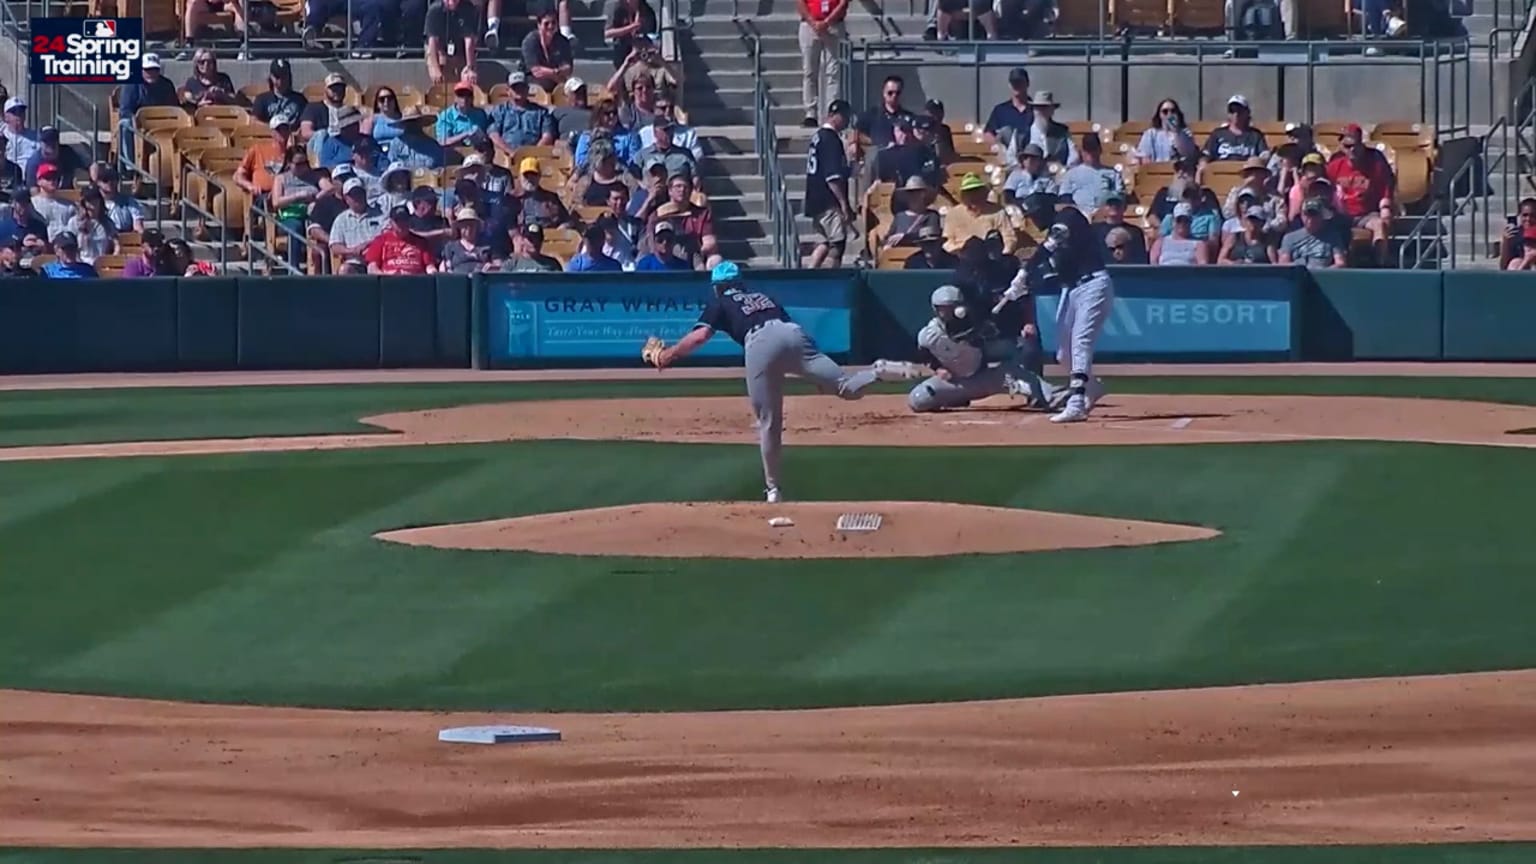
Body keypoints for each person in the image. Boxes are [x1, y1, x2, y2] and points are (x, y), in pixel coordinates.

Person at [642, 261, 879, 503]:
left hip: (760, 342)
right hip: (793, 333)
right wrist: (814, 376)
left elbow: (700, 336)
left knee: (769, 422)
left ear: (718, 287)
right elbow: (789, 337)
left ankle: (773, 490)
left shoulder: (721, 301)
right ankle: (881, 370)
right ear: (740, 283)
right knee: (847, 388)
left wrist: (668, 355)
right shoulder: (764, 298)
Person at [999, 192, 1112, 423]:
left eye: (1035, 215)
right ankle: (1091, 387)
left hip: (1094, 284)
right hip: (1071, 289)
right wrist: (1022, 285)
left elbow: (1048, 248)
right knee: (1063, 354)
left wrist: (1023, 272)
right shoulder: (1057, 236)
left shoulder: (1069, 217)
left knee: (1081, 342)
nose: (1033, 220)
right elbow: (1050, 269)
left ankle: (1077, 401)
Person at [865, 283, 1056, 414]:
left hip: (985, 378)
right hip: (955, 382)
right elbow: (923, 352)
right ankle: (954, 398)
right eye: (943, 308)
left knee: (1021, 375)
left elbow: (991, 343)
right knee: (917, 400)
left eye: (952, 307)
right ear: (935, 309)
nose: (947, 312)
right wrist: (938, 368)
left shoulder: (975, 322)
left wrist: (986, 331)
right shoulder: (928, 334)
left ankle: (1058, 397)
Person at [1325, 123, 1395, 265]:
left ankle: (1379, 262)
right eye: (1346, 146)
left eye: (1354, 145)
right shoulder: (1334, 166)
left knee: (1380, 225)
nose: (1351, 150)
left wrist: (1385, 207)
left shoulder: (1375, 163)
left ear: (1361, 144)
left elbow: (1386, 186)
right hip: (1342, 214)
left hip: (1366, 214)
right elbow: (1324, 189)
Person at [804, 99, 855, 268]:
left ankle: (810, 273)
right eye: (844, 116)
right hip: (828, 200)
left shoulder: (818, 136)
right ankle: (833, 277)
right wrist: (843, 204)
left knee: (822, 242)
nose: (847, 120)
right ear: (835, 116)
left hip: (814, 198)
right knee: (837, 242)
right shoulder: (831, 139)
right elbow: (832, 177)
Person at [117, 54, 179, 167]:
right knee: (125, 124)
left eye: (155, 69)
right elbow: (125, 110)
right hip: (139, 125)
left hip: (163, 124)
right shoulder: (131, 85)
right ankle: (130, 167)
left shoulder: (167, 85)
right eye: (148, 70)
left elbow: (175, 108)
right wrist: (136, 120)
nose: (151, 73)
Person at [798, 0, 848, 128]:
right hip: (810, 25)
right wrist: (812, 22)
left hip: (834, 24)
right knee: (809, 71)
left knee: (833, 72)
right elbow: (800, 3)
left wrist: (827, 22)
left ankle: (831, 113)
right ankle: (811, 113)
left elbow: (843, 3)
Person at [271, 144, 322, 271]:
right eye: (298, 164)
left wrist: (316, 197)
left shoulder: (313, 176)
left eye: (304, 163)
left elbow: (329, 189)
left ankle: (321, 268)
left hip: (311, 214)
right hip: (289, 216)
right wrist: (297, 196)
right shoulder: (281, 179)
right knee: (296, 227)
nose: (302, 167)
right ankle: (294, 267)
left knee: (321, 227)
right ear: (289, 164)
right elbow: (276, 202)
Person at [943, 173, 1013, 254]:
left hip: (990, 257)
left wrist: (1003, 254)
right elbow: (947, 242)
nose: (973, 195)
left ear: (984, 193)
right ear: (963, 196)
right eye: (968, 192)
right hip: (961, 258)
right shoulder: (953, 214)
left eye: (976, 191)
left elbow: (1009, 238)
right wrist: (962, 248)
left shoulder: (998, 212)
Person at [489, 71, 557, 155]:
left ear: (528, 89)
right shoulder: (499, 110)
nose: (519, 90)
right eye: (515, 87)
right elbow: (493, 135)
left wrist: (532, 153)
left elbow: (547, 137)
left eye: (522, 87)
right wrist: (510, 151)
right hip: (506, 154)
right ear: (508, 90)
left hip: (534, 156)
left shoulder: (542, 112)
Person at [328, 178, 387, 273]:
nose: (357, 197)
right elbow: (335, 246)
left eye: (359, 193)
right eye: (353, 195)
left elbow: (387, 236)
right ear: (346, 199)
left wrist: (368, 245)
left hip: (378, 261)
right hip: (354, 263)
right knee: (344, 270)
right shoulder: (341, 219)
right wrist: (352, 251)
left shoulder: (380, 215)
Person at [1056, 133, 1124, 214]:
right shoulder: (1071, 174)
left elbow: (1120, 196)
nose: (1091, 154)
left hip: (1105, 214)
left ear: (1100, 150)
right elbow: (1064, 196)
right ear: (1082, 152)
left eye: (1094, 150)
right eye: (1088, 151)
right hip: (1078, 214)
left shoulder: (1113, 173)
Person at [1005, 91, 1074, 167]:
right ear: (1033, 110)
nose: (1041, 111)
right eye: (1038, 108)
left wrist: (1065, 169)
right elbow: (1010, 157)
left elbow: (1074, 155)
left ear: (1052, 111)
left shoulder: (1063, 132)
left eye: (1045, 108)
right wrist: (1021, 168)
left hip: (1056, 176)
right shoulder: (1020, 133)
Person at [365, 204, 439, 274]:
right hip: (389, 282)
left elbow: (429, 266)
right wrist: (383, 278)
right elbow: (372, 267)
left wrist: (433, 273)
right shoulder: (380, 240)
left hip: (416, 282)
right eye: (397, 221)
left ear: (410, 221)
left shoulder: (421, 242)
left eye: (404, 220)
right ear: (391, 222)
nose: (401, 223)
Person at [421, 0, 479, 85]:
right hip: (438, 48)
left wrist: (469, 67)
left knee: (469, 77)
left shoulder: (468, 9)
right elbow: (432, 42)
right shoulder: (435, 10)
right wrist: (435, 68)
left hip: (459, 47)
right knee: (440, 75)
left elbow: (469, 42)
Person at [1279, 197, 1348, 268]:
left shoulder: (1333, 237)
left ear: (1322, 216)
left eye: (1314, 215)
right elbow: (1283, 264)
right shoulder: (1289, 238)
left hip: (1323, 275)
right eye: (1307, 215)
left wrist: (1325, 272)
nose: (1310, 219)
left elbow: (1340, 262)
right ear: (1301, 216)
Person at [1201, 94, 1268, 165]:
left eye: (1239, 110)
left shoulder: (1255, 135)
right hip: (1221, 172)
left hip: (1247, 172)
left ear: (1247, 112)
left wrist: (1258, 160)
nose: (1236, 114)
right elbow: (1206, 154)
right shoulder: (1218, 134)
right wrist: (1203, 162)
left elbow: (1264, 155)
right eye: (1232, 110)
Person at [522, 9, 575, 93]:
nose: (550, 26)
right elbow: (536, 71)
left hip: (556, 83)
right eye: (546, 23)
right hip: (532, 83)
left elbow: (568, 68)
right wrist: (555, 73)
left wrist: (552, 73)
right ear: (539, 25)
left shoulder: (563, 41)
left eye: (553, 23)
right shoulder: (530, 41)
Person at [855, 75, 914, 151]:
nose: (894, 96)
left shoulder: (909, 118)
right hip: (879, 160)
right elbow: (856, 135)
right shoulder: (871, 115)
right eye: (890, 93)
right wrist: (875, 144)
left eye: (898, 93)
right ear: (884, 93)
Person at [881, 175, 940, 249]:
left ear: (923, 194)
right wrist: (887, 244)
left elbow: (931, 235)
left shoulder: (932, 215)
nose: (913, 196)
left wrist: (904, 237)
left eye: (917, 192)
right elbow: (889, 236)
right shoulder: (899, 216)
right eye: (910, 193)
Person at [1135, 98, 1198, 164]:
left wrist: (1176, 132)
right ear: (1160, 115)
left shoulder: (1185, 133)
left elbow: (1187, 154)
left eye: (1173, 111)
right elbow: (1145, 158)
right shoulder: (1150, 134)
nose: (1169, 114)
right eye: (1165, 111)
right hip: (1158, 171)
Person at [983, 67, 1032, 150]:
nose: (1017, 86)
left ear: (1027, 84)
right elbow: (988, 133)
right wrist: (998, 146)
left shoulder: (1037, 109)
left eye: (1020, 82)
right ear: (1009, 85)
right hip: (1006, 156)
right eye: (1014, 83)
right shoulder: (1000, 110)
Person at [63, 190, 117, 264]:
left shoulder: (108, 223)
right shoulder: (74, 222)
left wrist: (112, 261)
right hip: (80, 264)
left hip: (102, 264)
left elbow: (116, 245)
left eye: (95, 199)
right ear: (83, 202)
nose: (92, 202)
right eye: (89, 200)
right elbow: (69, 246)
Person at [1093, 192, 1148, 263]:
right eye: (1110, 204)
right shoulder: (1094, 230)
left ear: (1124, 207)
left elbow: (1140, 259)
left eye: (1117, 204)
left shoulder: (1135, 231)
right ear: (1103, 208)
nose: (1114, 206)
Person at [436, 80, 491, 148]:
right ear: (455, 98)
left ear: (472, 98)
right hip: (455, 152)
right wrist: (465, 134)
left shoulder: (480, 114)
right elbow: (443, 142)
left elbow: (488, 136)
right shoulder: (446, 116)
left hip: (478, 151)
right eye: (460, 95)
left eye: (468, 95)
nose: (464, 98)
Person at [299, 74, 352, 144]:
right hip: (321, 145)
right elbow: (306, 132)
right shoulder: (313, 108)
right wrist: (326, 136)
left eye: (340, 88)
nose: (337, 91)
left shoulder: (350, 111)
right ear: (326, 89)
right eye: (333, 88)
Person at [604, 0, 657, 68]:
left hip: (642, 55)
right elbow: (608, 33)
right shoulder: (617, 7)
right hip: (623, 54)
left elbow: (653, 33)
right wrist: (632, 27)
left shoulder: (646, 10)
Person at [31, 165, 76, 238]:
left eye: (55, 178)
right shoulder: (32, 204)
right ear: (38, 181)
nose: (52, 181)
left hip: (65, 244)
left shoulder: (69, 206)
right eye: (48, 178)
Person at [3, 97, 40, 169]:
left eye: (21, 111)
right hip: (8, 177)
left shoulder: (36, 137)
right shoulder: (2, 138)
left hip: (31, 178)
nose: (19, 115)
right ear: (6, 117)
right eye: (14, 112)